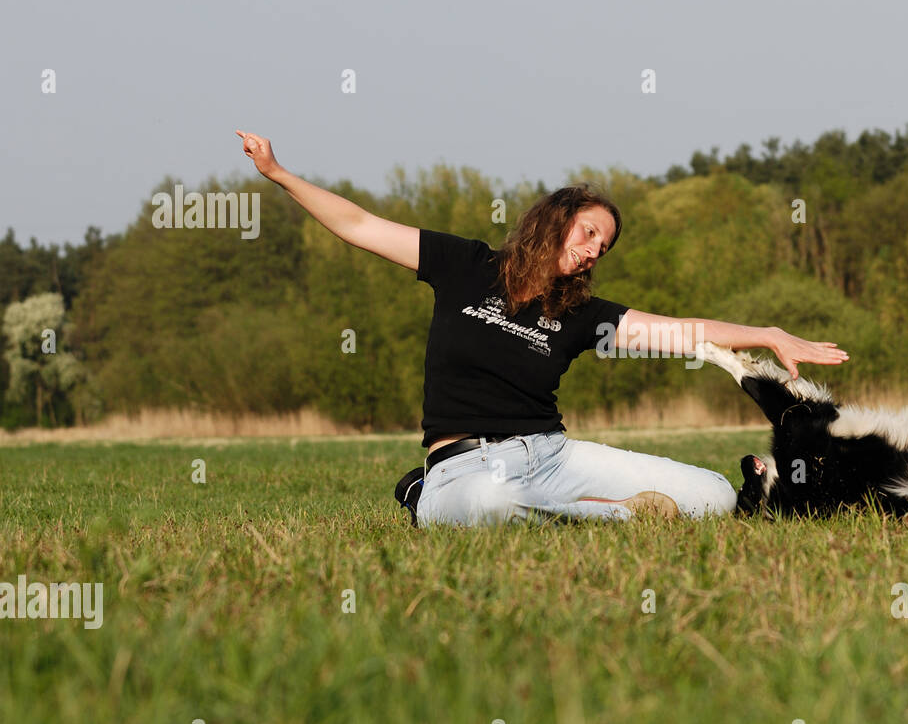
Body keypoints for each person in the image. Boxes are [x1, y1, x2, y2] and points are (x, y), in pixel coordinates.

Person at [236, 130, 848, 526]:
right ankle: (446, 499)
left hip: (553, 456)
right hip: (464, 467)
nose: (591, 252)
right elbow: (360, 224)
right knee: (492, 505)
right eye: (587, 233)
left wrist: (767, 334)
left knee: (714, 495)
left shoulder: (581, 316)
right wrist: (280, 173)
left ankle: (604, 515)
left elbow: (681, 331)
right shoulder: (465, 266)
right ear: (554, 221)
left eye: (602, 248)